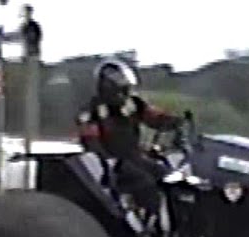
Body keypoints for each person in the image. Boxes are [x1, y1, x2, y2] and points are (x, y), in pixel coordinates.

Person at [75, 58, 182, 222]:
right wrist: (108, 162)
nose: (126, 92)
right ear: (108, 86)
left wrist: (176, 121)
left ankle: (172, 225)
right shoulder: (92, 111)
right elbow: (91, 142)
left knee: (168, 176)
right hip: (112, 164)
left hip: (135, 157)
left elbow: (154, 118)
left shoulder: (133, 104)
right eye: (121, 87)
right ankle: (147, 224)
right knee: (145, 184)